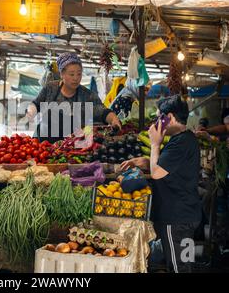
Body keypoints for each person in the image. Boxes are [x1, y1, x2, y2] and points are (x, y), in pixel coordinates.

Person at [120, 95, 202, 273]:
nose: (157, 122)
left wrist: (155, 144)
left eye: (159, 117)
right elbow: (167, 168)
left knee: (180, 267)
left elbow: (156, 173)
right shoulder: (185, 139)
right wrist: (146, 160)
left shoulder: (180, 143)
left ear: (170, 117)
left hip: (177, 219)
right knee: (184, 265)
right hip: (185, 216)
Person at [26, 52, 121, 143]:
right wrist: (31, 112)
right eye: (71, 74)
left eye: (79, 74)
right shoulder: (50, 88)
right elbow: (36, 104)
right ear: (62, 74)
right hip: (42, 146)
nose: (76, 78)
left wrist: (113, 119)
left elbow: (102, 111)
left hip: (70, 148)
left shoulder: (87, 95)